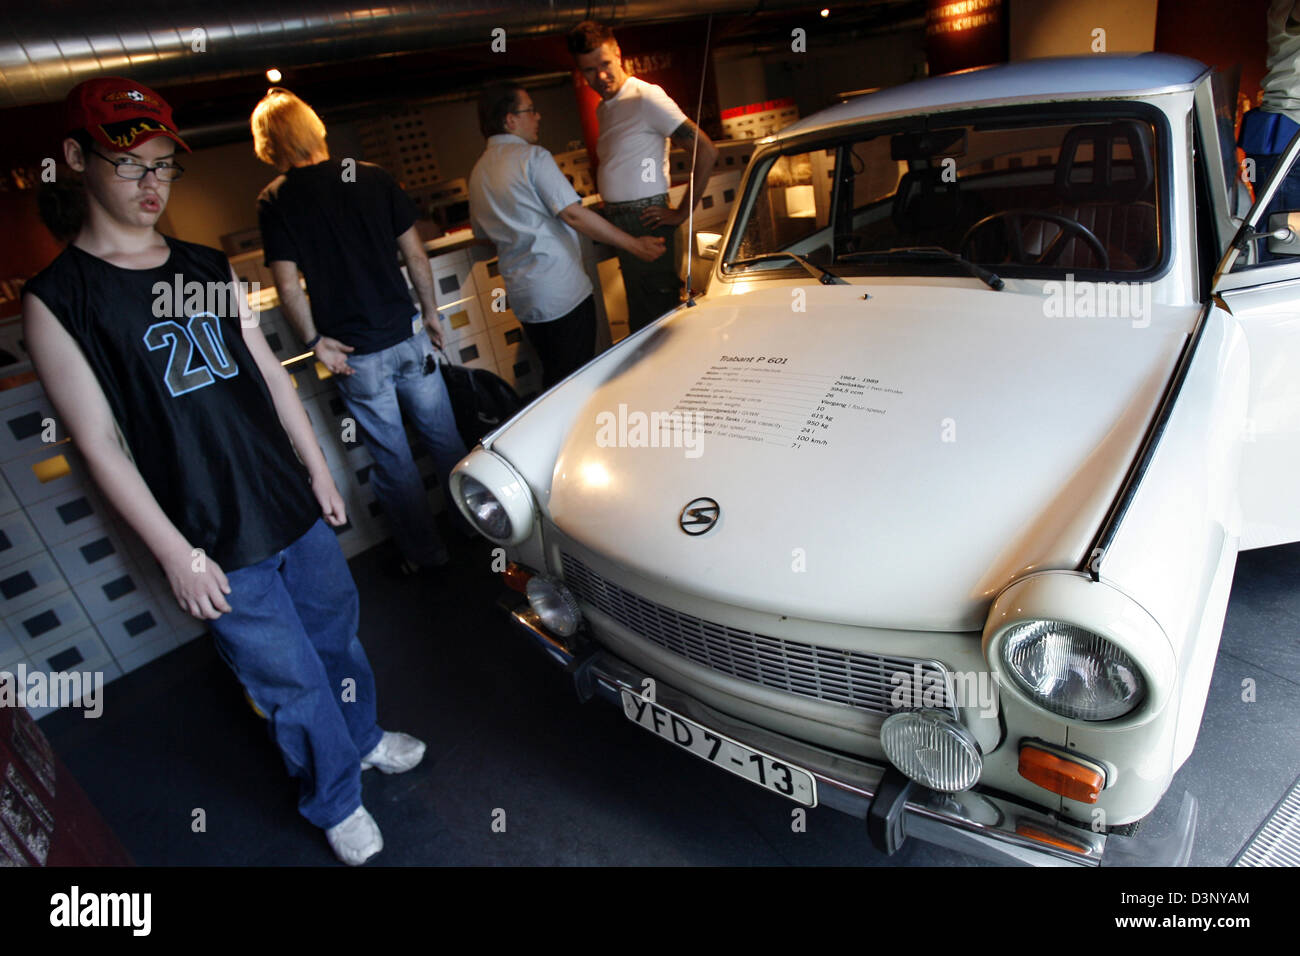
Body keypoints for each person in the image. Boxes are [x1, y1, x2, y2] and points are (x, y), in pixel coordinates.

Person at [22, 76, 423, 866]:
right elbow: (98, 441)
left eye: (164, 165)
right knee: (288, 682)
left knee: (337, 642)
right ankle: (334, 798)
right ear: (76, 159)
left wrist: (317, 471)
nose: (151, 184)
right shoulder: (60, 300)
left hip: (287, 500)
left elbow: (271, 375)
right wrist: (175, 554)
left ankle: (366, 737)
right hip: (210, 530)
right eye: (129, 163)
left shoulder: (207, 265)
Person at [251, 88, 467, 576]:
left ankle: (426, 555)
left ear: (270, 145)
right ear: (314, 128)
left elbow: (287, 285)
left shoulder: (275, 200)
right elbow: (415, 254)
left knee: (394, 461)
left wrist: (314, 343)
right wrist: (430, 314)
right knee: (447, 442)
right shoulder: (371, 177)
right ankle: (477, 531)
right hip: (409, 336)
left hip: (355, 355)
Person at [468, 83, 667, 387]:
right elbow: (573, 213)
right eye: (530, 110)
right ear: (510, 120)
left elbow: (482, 236)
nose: (538, 116)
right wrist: (635, 245)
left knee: (555, 375)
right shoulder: (532, 157)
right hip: (561, 292)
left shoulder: (479, 172)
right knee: (576, 379)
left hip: (524, 297)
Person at [567, 20, 719, 333]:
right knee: (643, 320)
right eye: (589, 71)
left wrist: (680, 212)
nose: (601, 76)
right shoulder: (604, 107)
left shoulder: (646, 96)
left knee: (657, 321)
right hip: (620, 221)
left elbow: (706, 150)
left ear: (618, 54)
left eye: (605, 64)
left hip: (646, 218)